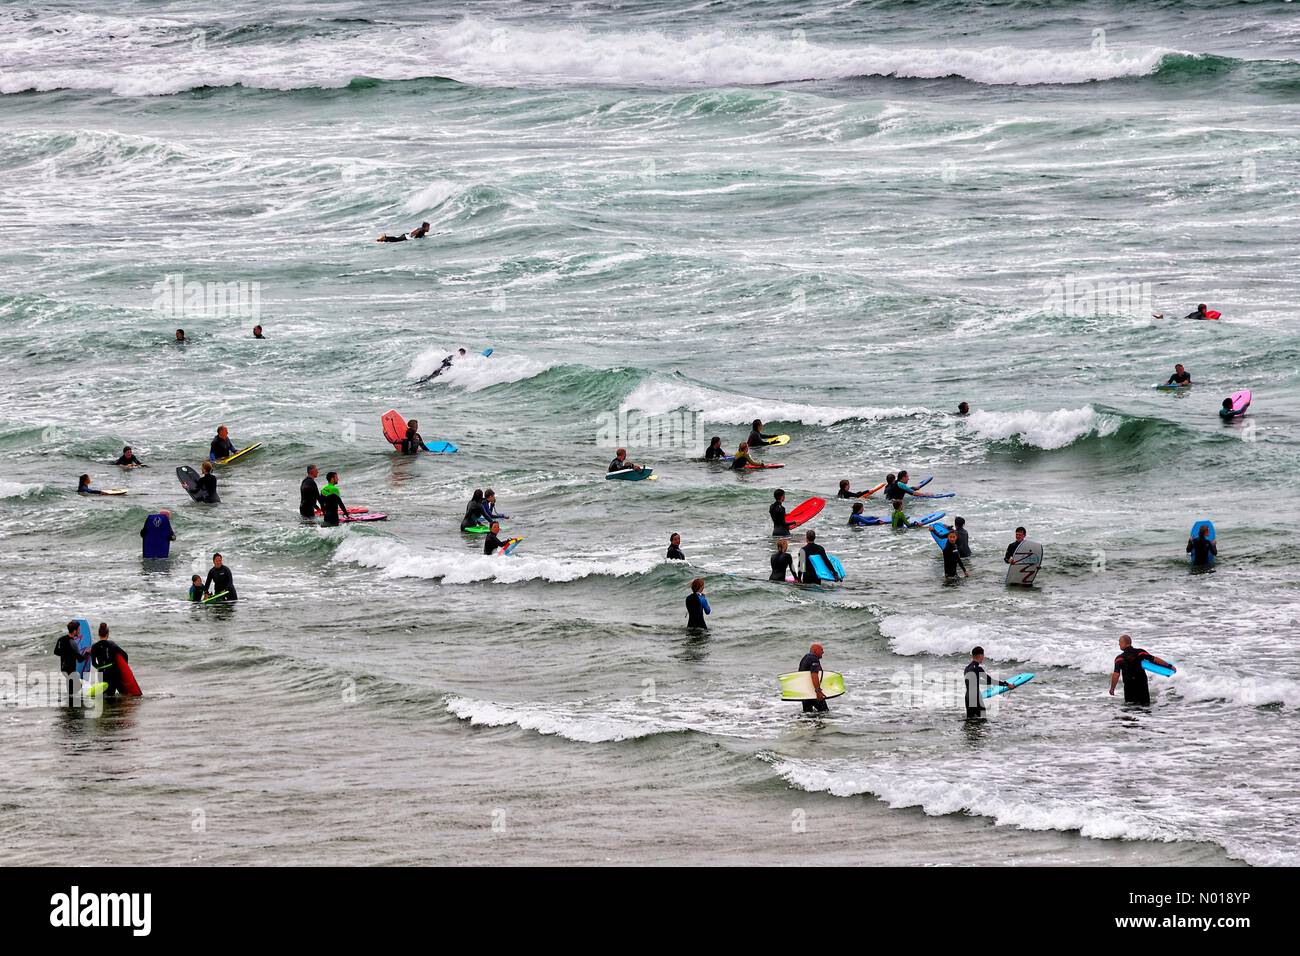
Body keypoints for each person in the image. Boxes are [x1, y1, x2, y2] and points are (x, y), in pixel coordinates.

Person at [1109, 634, 1173, 705]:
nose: (1119, 644)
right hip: (1142, 685)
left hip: (1129, 687)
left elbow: (1116, 674)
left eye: (1120, 642)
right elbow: (1154, 660)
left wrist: (1112, 689)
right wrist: (1169, 666)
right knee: (1145, 707)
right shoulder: (1140, 652)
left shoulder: (1119, 658)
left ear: (1124, 643)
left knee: (1130, 708)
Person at [964, 646, 1009, 719]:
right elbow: (990, 680)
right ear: (980, 655)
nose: (983, 657)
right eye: (983, 655)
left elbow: (976, 681)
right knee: (982, 720)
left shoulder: (967, 668)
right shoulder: (978, 668)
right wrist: (1006, 684)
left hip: (967, 697)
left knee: (970, 721)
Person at [89, 623, 129, 696]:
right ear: (107, 634)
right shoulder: (112, 644)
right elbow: (125, 655)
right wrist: (124, 669)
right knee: (116, 693)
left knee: (106, 694)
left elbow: (94, 663)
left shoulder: (94, 646)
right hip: (113, 672)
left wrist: (100, 668)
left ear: (99, 634)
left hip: (101, 673)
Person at [53, 621, 88, 701]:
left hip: (63, 669)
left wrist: (65, 654)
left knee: (71, 692)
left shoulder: (61, 640)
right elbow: (80, 659)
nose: (79, 631)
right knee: (78, 689)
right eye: (79, 629)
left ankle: (69, 709)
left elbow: (56, 652)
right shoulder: (73, 643)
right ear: (74, 631)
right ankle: (73, 709)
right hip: (71, 670)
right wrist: (87, 653)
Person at [798, 643, 829, 714]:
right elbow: (814, 675)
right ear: (815, 651)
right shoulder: (813, 659)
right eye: (821, 650)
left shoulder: (805, 658)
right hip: (812, 692)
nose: (823, 652)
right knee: (824, 712)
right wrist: (818, 691)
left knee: (808, 715)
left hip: (805, 693)